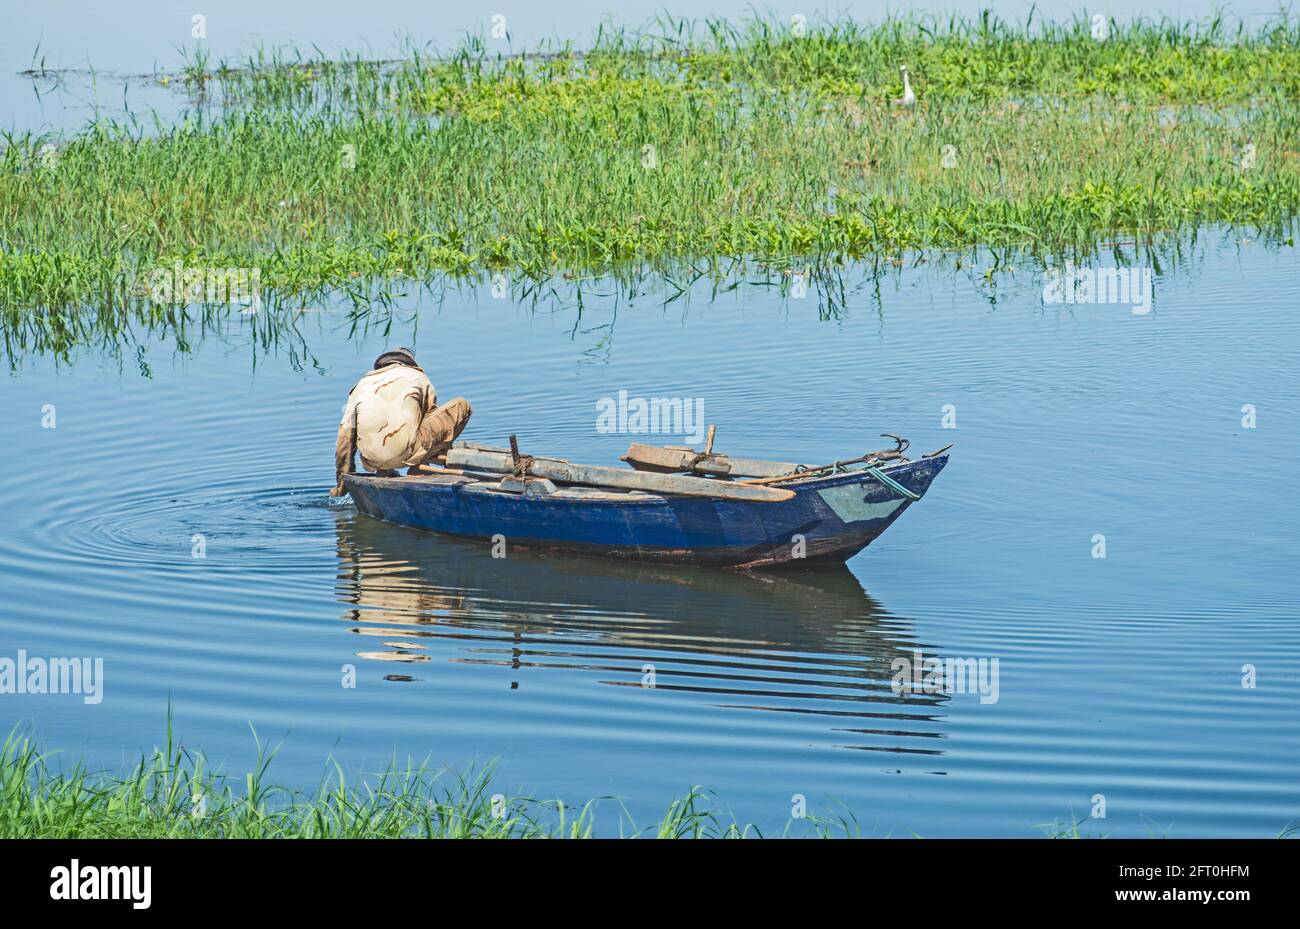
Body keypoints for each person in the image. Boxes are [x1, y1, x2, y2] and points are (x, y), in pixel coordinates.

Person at [331, 347, 471, 496]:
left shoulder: (361, 386)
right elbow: (429, 420)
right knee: (461, 405)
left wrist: (343, 483)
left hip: (372, 460)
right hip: (409, 450)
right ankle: (418, 469)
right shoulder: (417, 376)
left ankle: (383, 472)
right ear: (410, 363)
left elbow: (344, 440)